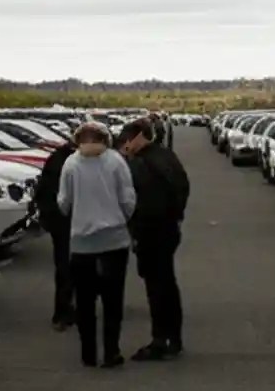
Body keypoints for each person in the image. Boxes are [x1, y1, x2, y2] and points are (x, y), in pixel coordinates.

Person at [57, 121, 137, 368]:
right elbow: (127, 198)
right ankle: (111, 351)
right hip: (114, 240)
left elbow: (64, 202)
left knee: (85, 302)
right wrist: (124, 218)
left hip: (82, 242)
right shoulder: (115, 161)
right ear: (106, 139)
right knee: (113, 301)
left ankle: (88, 353)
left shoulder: (70, 163)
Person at [119, 118, 190, 361]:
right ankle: (174, 338)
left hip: (151, 231)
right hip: (169, 229)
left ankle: (159, 340)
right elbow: (183, 186)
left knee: (156, 287)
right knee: (168, 284)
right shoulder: (167, 156)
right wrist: (177, 215)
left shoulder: (141, 164)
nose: (125, 146)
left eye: (127, 140)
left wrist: (136, 232)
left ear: (138, 137)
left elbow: (138, 202)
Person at [34, 138, 77, 331]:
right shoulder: (73, 162)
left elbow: (41, 190)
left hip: (58, 220)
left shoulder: (56, 158)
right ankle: (64, 311)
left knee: (63, 266)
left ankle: (63, 310)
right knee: (72, 266)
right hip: (70, 219)